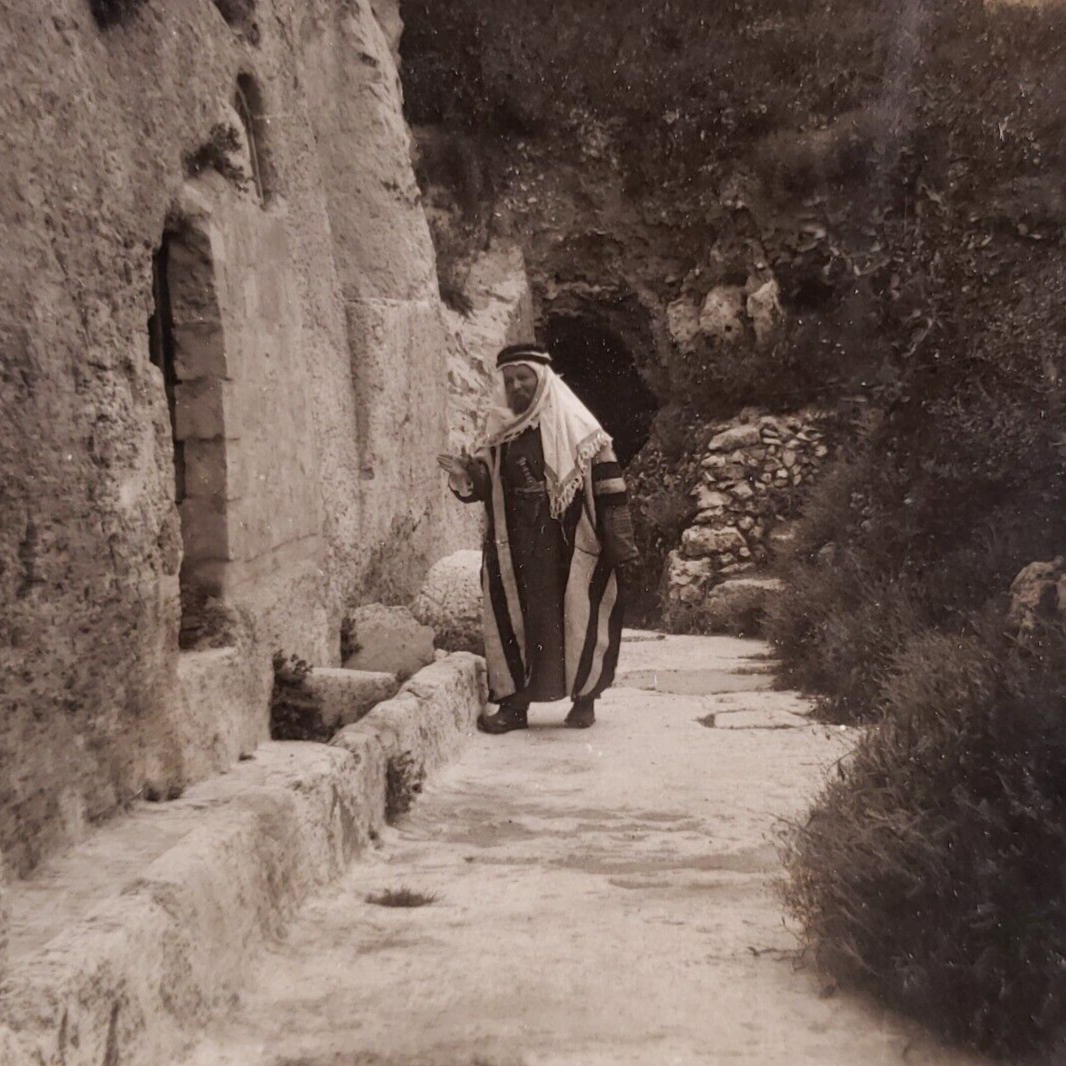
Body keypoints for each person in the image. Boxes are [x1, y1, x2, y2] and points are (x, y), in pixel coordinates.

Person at [437, 343, 640, 734]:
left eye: (523, 377)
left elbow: (610, 489)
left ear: (542, 379)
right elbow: (483, 487)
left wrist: (619, 545)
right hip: (517, 549)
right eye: (509, 380)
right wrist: (466, 472)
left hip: (570, 546)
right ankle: (514, 706)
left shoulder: (580, 429)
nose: (516, 386)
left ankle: (584, 700)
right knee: (513, 623)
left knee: (579, 617)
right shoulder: (500, 435)